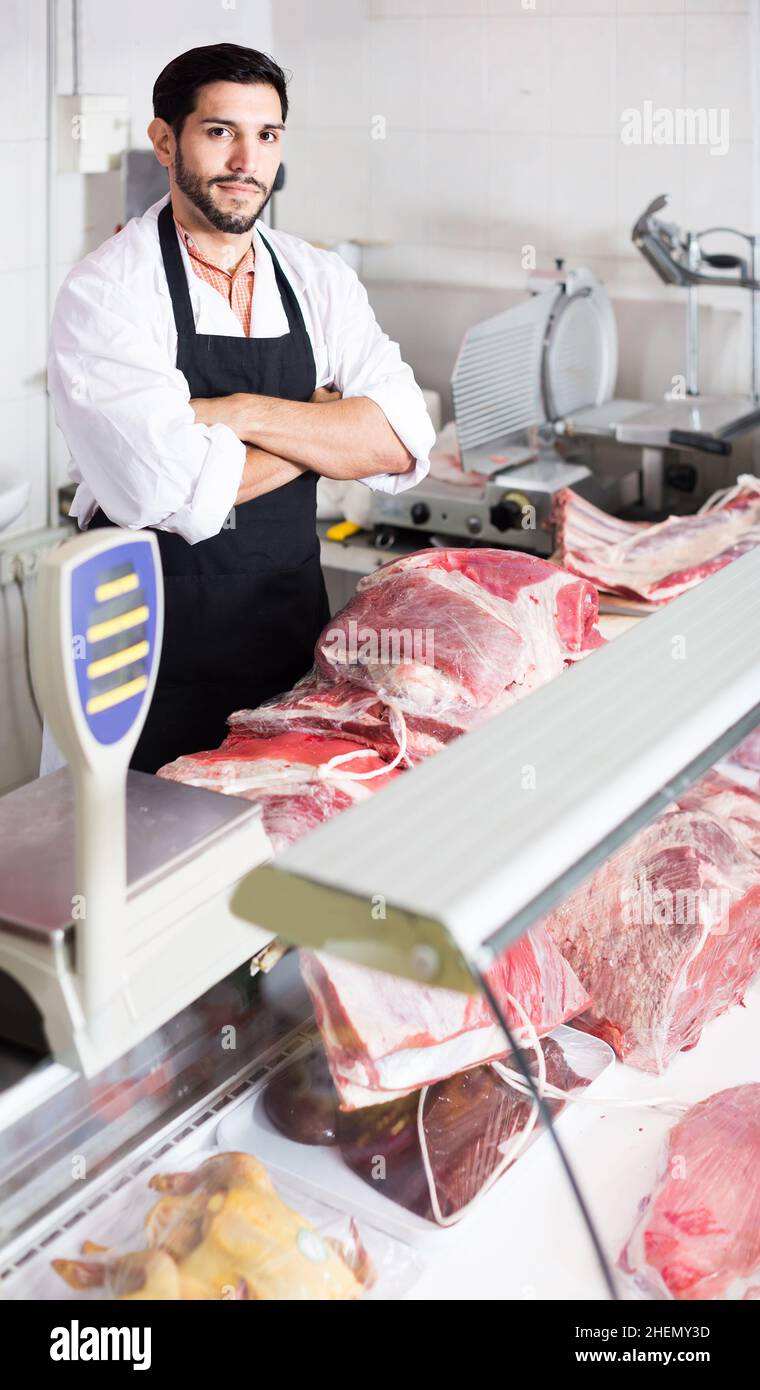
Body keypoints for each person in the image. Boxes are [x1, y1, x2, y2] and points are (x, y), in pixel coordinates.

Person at [44, 42, 434, 775]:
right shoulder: (108, 293)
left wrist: (240, 412)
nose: (246, 161)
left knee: (272, 863)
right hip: (143, 660)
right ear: (166, 141)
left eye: (267, 136)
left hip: (286, 644)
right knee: (138, 865)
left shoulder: (318, 278)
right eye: (220, 131)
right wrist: (322, 424)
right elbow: (166, 490)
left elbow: (402, 440)